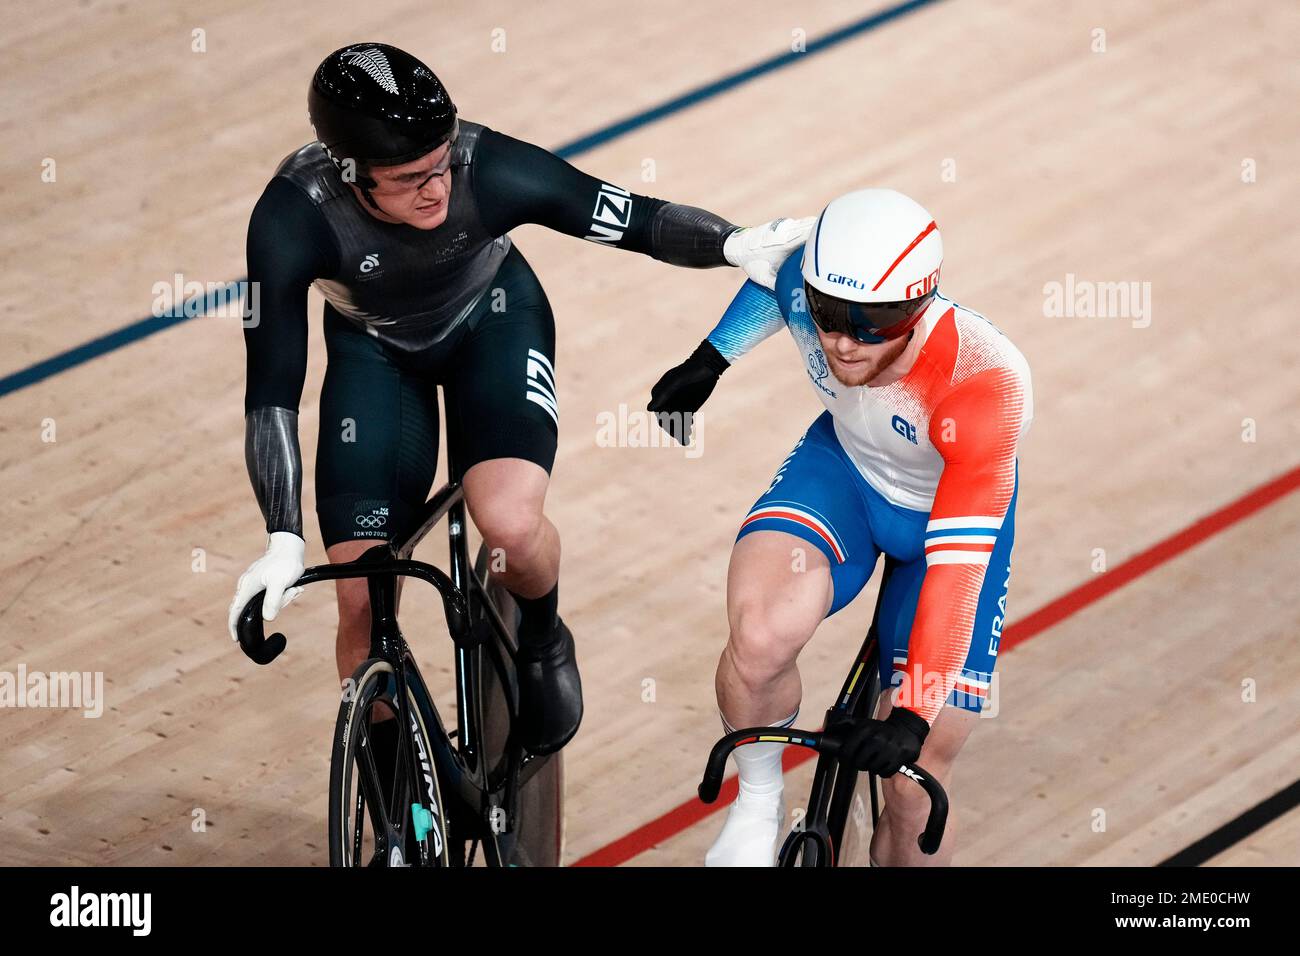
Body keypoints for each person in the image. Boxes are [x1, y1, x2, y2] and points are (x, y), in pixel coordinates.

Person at [226, 42, 812, 757]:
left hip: (492, 319)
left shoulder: (486, 168)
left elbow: (632, 216)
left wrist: (733, 243)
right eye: (410, 178)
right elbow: (272, 388)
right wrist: (282, 537)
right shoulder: (292, 216)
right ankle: (387, 787)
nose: (437, 188)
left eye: (440, 163)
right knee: (360, 596)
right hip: (373, 350)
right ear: (350, 173)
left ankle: (541, 631)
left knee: (505, 520)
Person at [648, 188, 1033, 865]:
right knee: (761, 636)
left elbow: (954, 573)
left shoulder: (984, 384)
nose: (841, 343)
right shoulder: (812, 283)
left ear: (917, 308)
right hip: (848, 475)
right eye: (828, 316)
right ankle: (759, 801)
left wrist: (913, 716)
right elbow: (779, 281)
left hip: (946, 522)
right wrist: (711, 359)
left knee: (914, 784)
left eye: (870, 325)